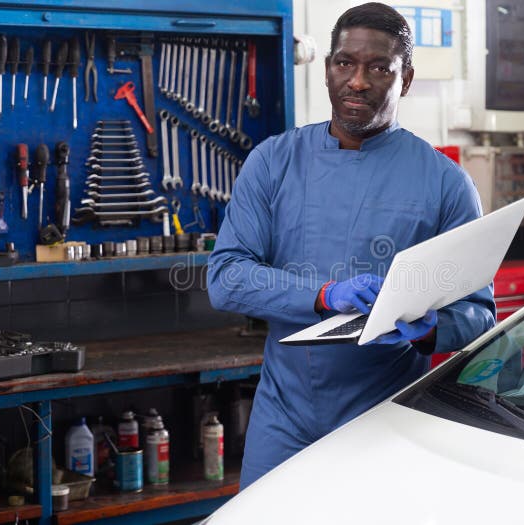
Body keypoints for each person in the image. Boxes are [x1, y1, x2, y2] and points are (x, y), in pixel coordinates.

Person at [207, 2, 496, 489]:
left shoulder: (447, 184)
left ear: (404, 80)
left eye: (379, 68)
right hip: (283, 417)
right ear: (327, 71)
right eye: (345, 63)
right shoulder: (273, 163)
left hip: (385, 418)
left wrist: (430, 332)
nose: (358, 81)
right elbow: (226, 278)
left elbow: (480, 316)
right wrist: (322, 297)